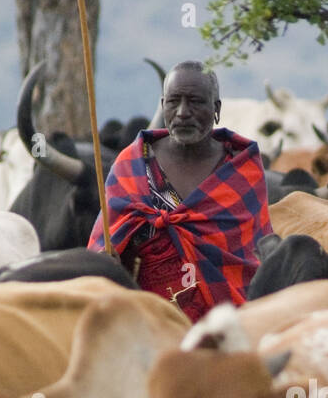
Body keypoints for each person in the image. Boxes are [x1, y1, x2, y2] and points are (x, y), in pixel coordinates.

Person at [87, 60, 273, 323]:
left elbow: (253, 258)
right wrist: (108, 261)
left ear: (216, 108)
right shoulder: (133, 164)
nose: (183, 112)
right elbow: (105, 246)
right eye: (174, 102)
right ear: (163, 106)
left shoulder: (241, 171)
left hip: (226, 325)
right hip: (148, 321)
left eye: (196, 101)